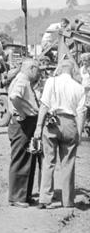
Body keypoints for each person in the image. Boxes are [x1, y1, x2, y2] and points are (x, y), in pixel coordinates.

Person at [35, 59, 86, 209]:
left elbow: (44, 105)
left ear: (60, 69)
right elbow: (81, 113)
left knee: (48, 161)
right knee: (68, 163)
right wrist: (78, 133)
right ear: (72, 70)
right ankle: (68, 201)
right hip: (70, 123)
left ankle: (45, 199)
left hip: (52, 123)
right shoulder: (79, 88)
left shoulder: (51, 81)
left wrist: (39, 127)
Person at [7, 58, 42, 207]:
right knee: (21, 159)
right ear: (32, 68)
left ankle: (24, 195)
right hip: (23, 123)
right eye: (38, 70)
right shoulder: (22, 79)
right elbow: (15, 97)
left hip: (26, 123)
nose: (38, 73)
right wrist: (21, 112)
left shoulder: (22, 79)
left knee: (28, 159)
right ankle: (16, 197)